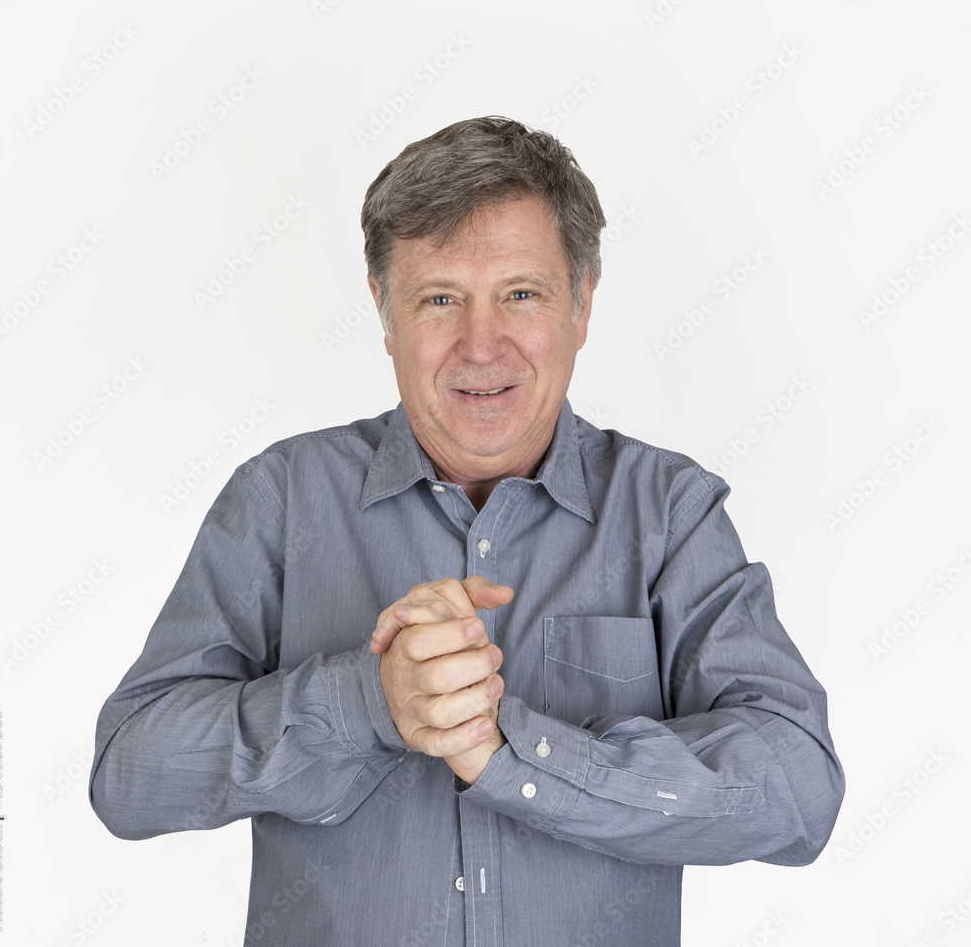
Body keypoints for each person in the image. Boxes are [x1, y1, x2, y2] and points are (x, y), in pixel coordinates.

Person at [90, 116, 844, 946]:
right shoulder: (280, 497)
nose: (481, 346)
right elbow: (129, 772)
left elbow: (799, 788)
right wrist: (367, 703)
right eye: (440, 298)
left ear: (582, 303)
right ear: (385, 313)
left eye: (520, 293)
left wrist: (518, 751)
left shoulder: (667, 510)